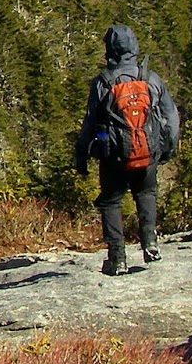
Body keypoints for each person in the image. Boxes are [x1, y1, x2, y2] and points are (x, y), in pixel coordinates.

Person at [75, 24, 180, 275]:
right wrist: (167, 147)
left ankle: (117, 258)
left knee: (111, 202)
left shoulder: (103, 83)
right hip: (148, 151)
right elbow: (171, 117)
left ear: (109, 49)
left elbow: (90, 122)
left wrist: (81, 155)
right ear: (134, 47)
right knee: (146, 193)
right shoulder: (150, 78)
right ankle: (150, 244)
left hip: (114, 156)